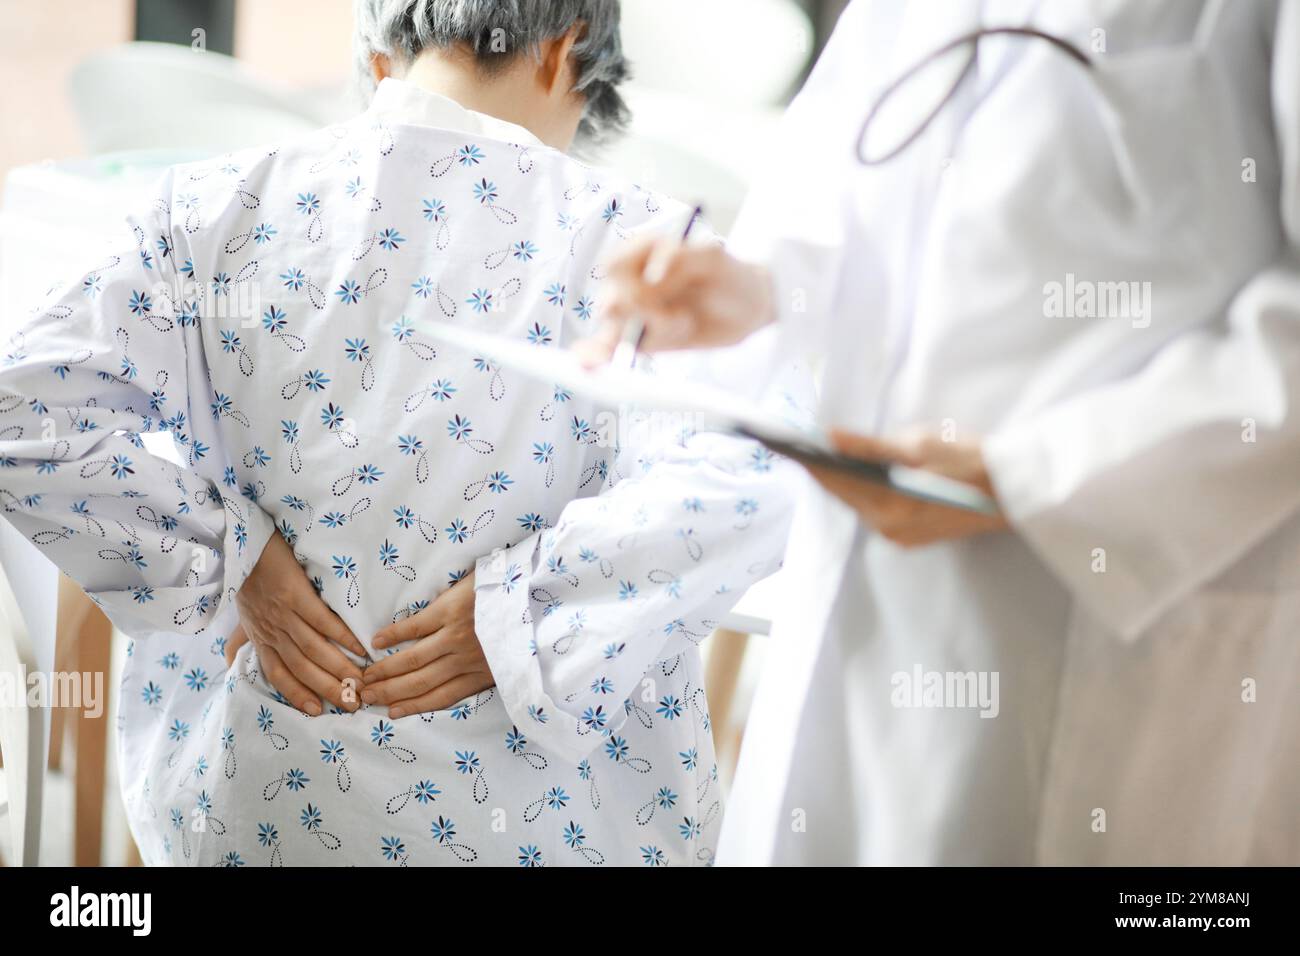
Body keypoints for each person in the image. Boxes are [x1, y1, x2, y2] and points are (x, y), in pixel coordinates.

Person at [0, 0, 798, 866]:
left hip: (260, 806)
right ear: (567, 51)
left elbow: (21, 414)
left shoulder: (208, 208)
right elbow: (768, 467)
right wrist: (527, 614)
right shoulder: (644, 244)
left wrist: (230, 555)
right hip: (551, 829)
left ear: (380, 51)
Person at [590, 0, 1300, 865]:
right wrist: (752, 289)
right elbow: (855, 190)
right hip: (864, 582)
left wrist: (1031, 476)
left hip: (1100, 608)